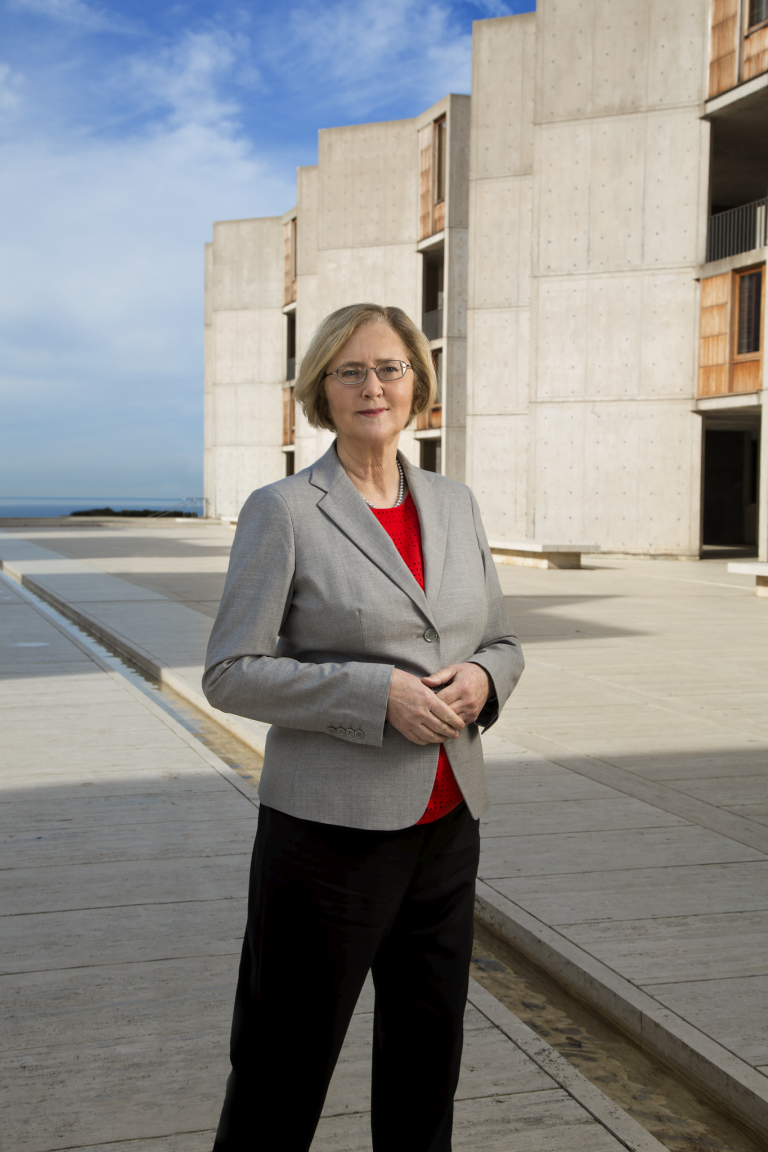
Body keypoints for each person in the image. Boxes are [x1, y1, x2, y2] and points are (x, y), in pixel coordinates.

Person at [202, 302, 524, 1151]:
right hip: (326, 838)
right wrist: (373, 692)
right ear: (322, 390)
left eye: (389, 367)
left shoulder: (454, 503)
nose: (372, 386)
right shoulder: (284, 509)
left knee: (427, 1058)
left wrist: (486, 675)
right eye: (350, 371)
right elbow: (230, 672)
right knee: (283, 1066)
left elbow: (501, 638)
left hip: (448, 822)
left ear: (416, 379)